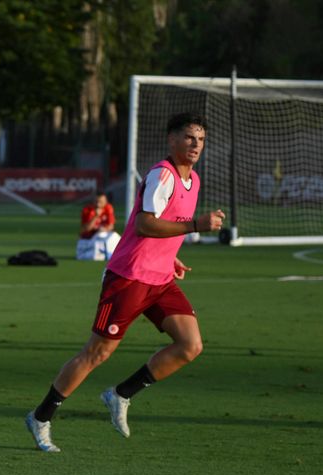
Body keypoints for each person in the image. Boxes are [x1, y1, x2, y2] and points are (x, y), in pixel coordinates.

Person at [24, 112, 226, 452]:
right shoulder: (162, 175)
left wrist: (170, 254)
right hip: (129, 278)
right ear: (171, 140)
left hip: (160, 279)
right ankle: (40, 417)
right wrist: (196, 226)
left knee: (190, 345)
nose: (196, 145)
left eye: (201, 139)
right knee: (96, 353)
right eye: (189, 137)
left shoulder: (195, 181)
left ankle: (120, 394)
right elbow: (146, 224)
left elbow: (161, 226)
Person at [76, 191, 120, 261]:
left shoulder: (108, 208)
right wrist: (96, 216)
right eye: (96, 201)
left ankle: (110, 253)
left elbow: (111, 226)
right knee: (100, 236)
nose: (98, 204)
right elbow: (86, 229)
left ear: (105, 201)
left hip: (100, 240)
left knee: (114, 235)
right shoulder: (87, 210)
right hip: (87, 241)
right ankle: (104, 254)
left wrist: (103, 229)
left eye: (101, 202)